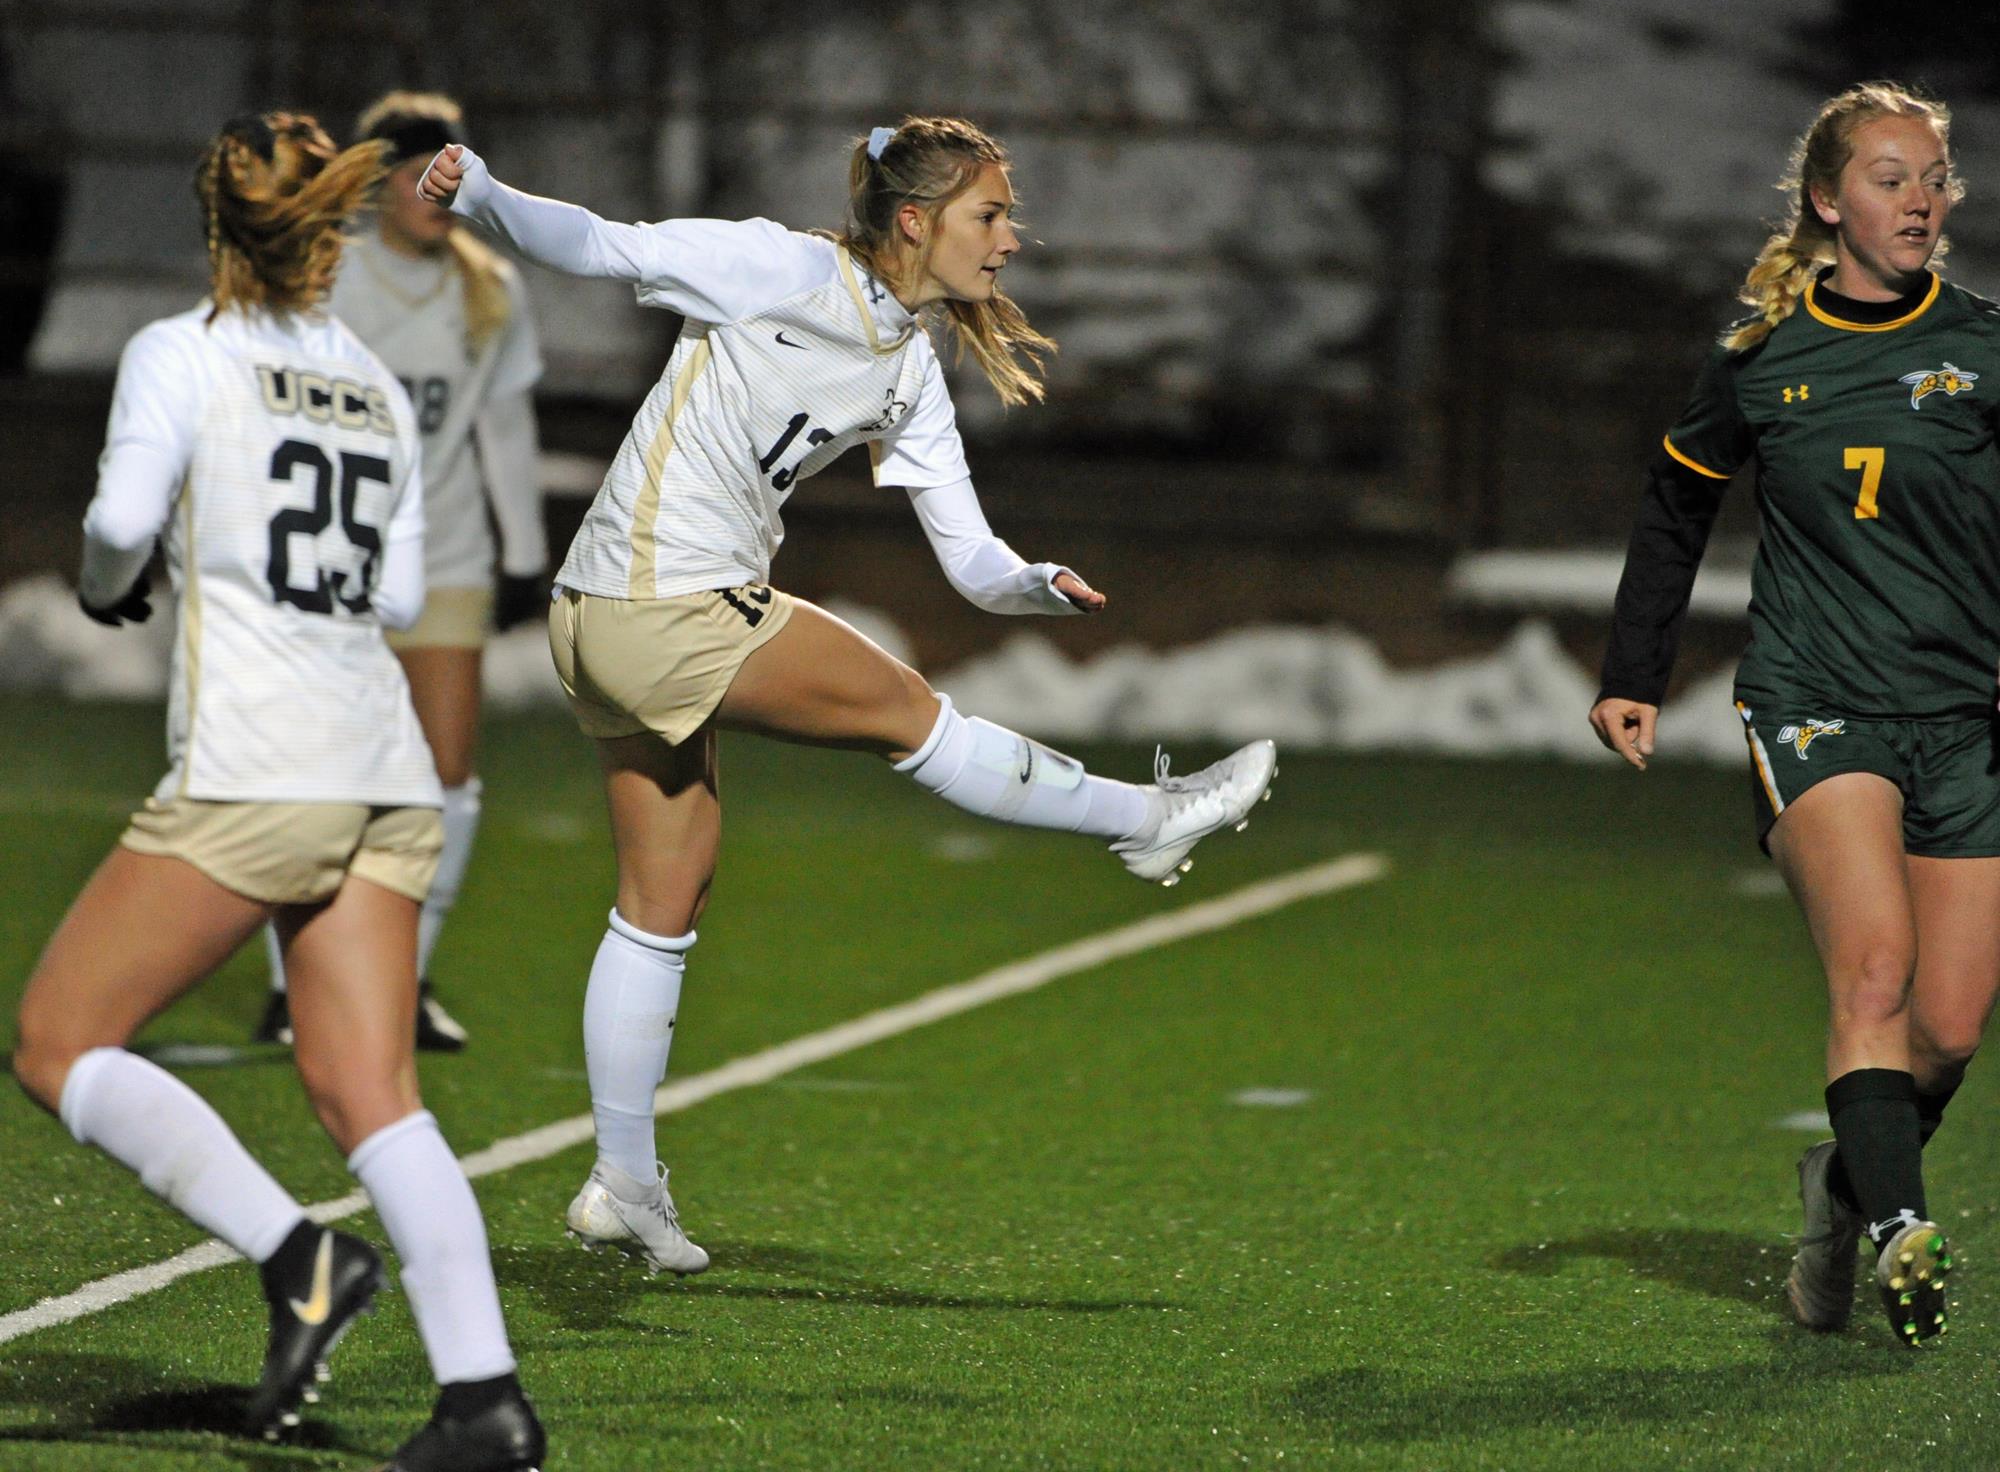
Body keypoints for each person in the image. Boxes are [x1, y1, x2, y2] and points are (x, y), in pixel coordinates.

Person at [415, 116, 1277, 1276]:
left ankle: (622, 1181)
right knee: (907, 715)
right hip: (661, 601)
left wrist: (1032, 583)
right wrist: (483, 194)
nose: (1010, 239)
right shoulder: (782, 268)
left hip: (598, 611)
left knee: (664, 889)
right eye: (990, 214)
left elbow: (968, 559)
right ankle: (1143, 821)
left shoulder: (908, 366)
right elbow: (602, 245)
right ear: (915, 221)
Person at [13, 112, 544, 1470]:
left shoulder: (182, 352)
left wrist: (110, 581)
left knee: (59, 1042)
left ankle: (299, 1257)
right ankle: (482, 1400)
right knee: (370, 1093)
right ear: (331, 235)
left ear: (218, 228)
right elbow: (410, 592)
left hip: (264, 767)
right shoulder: (368, 374)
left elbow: (126, 525)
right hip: (386, 770)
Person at [1590, 81, 2000, 1348]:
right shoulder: (1759, 356)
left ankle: (1839, 1187)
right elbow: (1673, 506)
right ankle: (1898, 1231)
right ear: (1828, 201)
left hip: (1962, 714)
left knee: (1946, 1023)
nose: (1918, 200)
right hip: (1815, 703)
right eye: (1889, 177)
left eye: (1932, 177)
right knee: (1872, 971)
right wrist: (1632, 670)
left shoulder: (1984, 347)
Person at [256, 91, 548, 1055]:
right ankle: (292, 984)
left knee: (444, 778)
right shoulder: (328, 275)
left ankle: (402, 979)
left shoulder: (490, 286)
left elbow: (503, 425)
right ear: (376, 177)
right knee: (315, 772)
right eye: (416, 166)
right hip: (331, 553)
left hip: (445, 551)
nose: (435, 186)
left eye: (450, 168)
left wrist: (523, 554)